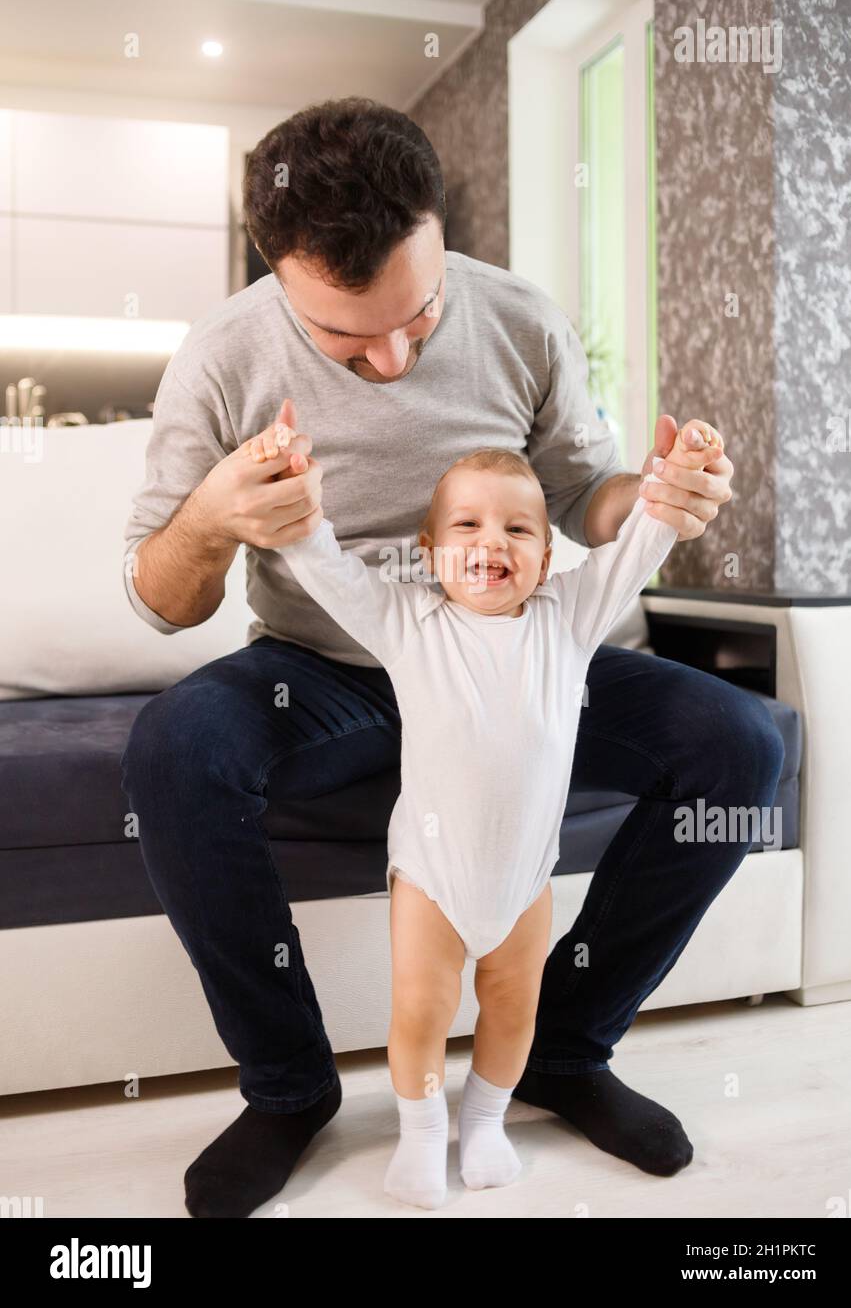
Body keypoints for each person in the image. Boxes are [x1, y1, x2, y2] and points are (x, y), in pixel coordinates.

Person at [120, 96, 784, 1218]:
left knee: (738, 743)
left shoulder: (521, 320)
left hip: (512, 652)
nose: (392, 354)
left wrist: (667, 497)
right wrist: (216, 515)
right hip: (320, 668)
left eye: (418, 314)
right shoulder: (221, 353)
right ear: (277, 272)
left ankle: (564, 1048)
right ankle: (289, 1088)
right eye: (347, 337)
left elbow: (586, 501)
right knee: (175, 750)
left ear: (440, 232)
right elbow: (159, 598)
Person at [251, 417, 691, 1207]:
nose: (495, 541)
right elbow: (322, 565)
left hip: (525, 879)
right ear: (428, 550)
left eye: (519, 527)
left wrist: (672, 476)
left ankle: (485, 1123)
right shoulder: (408, 622)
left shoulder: (569, 618)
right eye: (468, 524)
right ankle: (422, 1134)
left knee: (513, 1009)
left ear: (548, 557)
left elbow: (641, 545)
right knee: (421, 1011)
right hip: (432, 878)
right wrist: (290, 487)